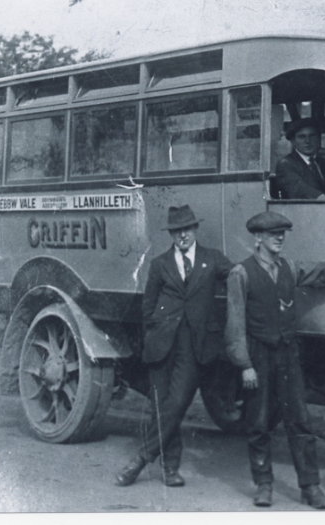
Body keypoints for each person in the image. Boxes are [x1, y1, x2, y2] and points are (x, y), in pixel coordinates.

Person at [224, 211, 325, 508]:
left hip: (288, 355)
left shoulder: (289, 266)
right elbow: (234, 326)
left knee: (300, 421)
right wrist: (245, 365)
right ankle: (263, 485)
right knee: (259, 422)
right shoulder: (241, 273)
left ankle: (310, 487)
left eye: (282, 233)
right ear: (258, 238)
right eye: (273, 234)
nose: (279, 238)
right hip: (258, 355)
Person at [116, 205, 233, 488]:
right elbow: (148, 306)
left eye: (187, 229)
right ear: (172, 234)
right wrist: (154, 333)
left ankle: (140, 460)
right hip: (161, 346)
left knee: (177, 404)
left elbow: (240, 276)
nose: (183, 235)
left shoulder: (212, 259)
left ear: (195, 230)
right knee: (161, 407)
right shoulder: (159, 264)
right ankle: (170, 469)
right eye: (177, 230)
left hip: (194, 348)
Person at [274, 118, 325, 200]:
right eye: (301, 137)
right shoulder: (286, 164)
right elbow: (300, 189)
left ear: (318, 139)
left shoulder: (323, 163)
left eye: (312, 136)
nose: (307, 141)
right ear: (293, 141)